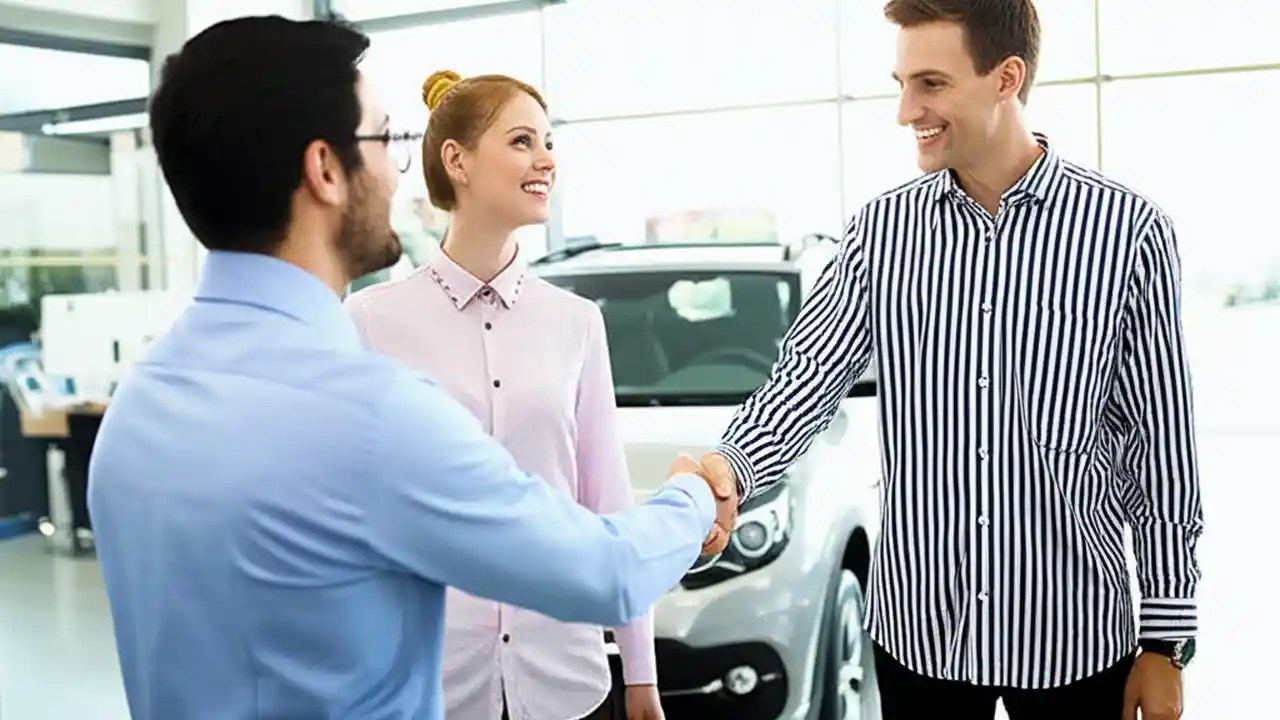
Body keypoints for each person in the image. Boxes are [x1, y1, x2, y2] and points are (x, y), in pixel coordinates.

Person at [85, 16, 736, 720]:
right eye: (385, 139)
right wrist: (692, 494)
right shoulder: (370, 412)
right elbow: (606, 571)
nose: (400, 170)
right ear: (326, 170)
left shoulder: (138, 408)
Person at [696, 1, 1204, 719]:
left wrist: (1165, 638)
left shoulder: (1129, 233)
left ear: (1006, 77)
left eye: (930, 84)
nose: (907, 111)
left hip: (1074, 634)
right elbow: (805, 380)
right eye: (901, 83)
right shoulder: (881, 232)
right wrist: (731, 467)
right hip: (919, 637)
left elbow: (1160, 451)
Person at [344, 70, 665, 720]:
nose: (546, 159)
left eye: (548, 142)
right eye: (522, 141)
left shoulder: (575, 323)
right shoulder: (371, 322)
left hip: (566, 680)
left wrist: (640, 673)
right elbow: (356, 518)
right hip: (430, 685)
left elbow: (607, 507)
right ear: (456, 160)